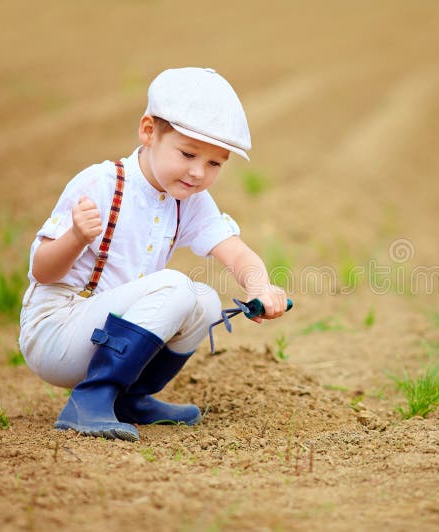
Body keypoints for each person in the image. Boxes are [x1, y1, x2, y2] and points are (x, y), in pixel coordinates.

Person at [18, 67, 288, 442]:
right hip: (57, 330)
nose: (198, 173)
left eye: (214, 164)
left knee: (204, 301)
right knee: (176, 285)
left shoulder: (188, 200)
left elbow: (237, 253)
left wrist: (261, 286)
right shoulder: (101, 183)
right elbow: (43, 273)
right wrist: (77, 236)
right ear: (148, 132)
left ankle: (129, 398)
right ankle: (90, 398)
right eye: (188, 153)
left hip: (103, 334)